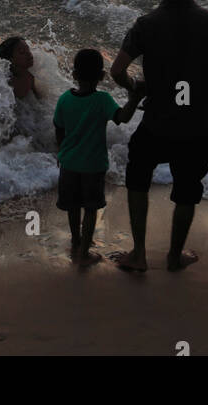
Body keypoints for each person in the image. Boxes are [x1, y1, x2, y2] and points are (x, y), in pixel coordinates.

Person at [110, 0, 208, 273]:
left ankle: (139, 254)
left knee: (138, 179)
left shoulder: (146, 24)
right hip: (195, 125)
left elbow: (116, 70)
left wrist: (133, 88)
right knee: (187, 190)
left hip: (156, 122)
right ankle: (174, 255)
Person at [54, 49, 143, 266]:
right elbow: (122, 118)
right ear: (102, 76)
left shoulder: (65, 99)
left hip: (69, 163)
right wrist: (134, 99)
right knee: (91, 208)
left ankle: (76, 240)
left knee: (73, 206)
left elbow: (58, 128)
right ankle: (84, 252)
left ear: (74, 74)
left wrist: (62, 151)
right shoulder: (103, 100)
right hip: (93, 166)